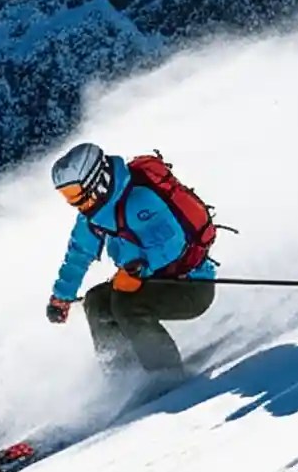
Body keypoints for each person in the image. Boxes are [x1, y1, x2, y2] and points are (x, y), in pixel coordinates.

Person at [46, 142, 218, 380]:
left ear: (98, 180)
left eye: (75, 193)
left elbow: (172, 246)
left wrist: (138, 270)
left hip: (189, 285)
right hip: (147, 283)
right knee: (97, 302)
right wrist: (61, 297)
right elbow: (79, 253)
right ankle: (123, 375)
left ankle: (166, 374)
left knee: (127, 306)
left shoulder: (139, 200)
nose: (75, 203)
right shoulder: (93, 215)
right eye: (67, 196)